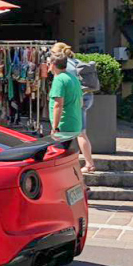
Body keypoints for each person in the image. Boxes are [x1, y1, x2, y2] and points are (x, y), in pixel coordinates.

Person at [52, 41, 96, 173]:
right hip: (86, 96)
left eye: (53, 53)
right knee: (79, 131)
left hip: (77, 99)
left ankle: (89, 164)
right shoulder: (75, 61)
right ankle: (85, 162)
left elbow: (65, 89)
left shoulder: (66, 67)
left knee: (80, 133)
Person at [48, 54, 84, 150]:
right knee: (64, 153)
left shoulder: (59, 80)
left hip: (63, 126)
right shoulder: (73, 78)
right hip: (74, 124)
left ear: (53, 64)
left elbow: (58, 105)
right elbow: (81, 102)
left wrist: (55, 128)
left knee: (56, 155)